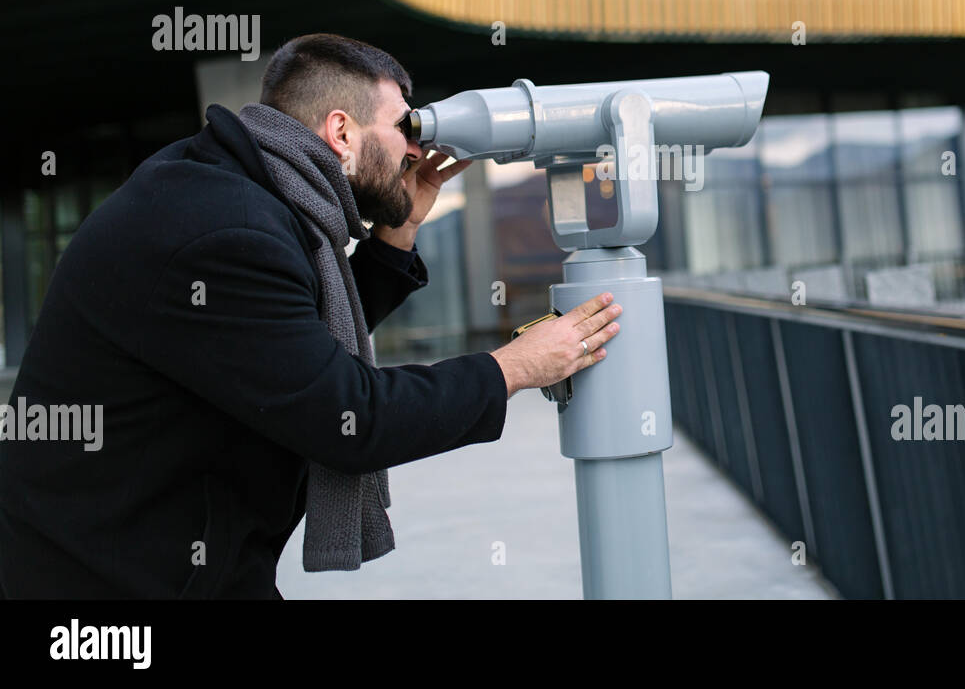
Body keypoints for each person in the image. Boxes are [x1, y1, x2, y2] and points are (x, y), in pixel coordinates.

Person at [0, 33, 620, 598]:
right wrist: (511, 367)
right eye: (405, 126)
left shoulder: (234, 185)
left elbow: (280, 351)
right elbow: (348, 417)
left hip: (159, 556)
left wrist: (394, 236)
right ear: (342, 132)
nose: (416, 148)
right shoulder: (227, 230)